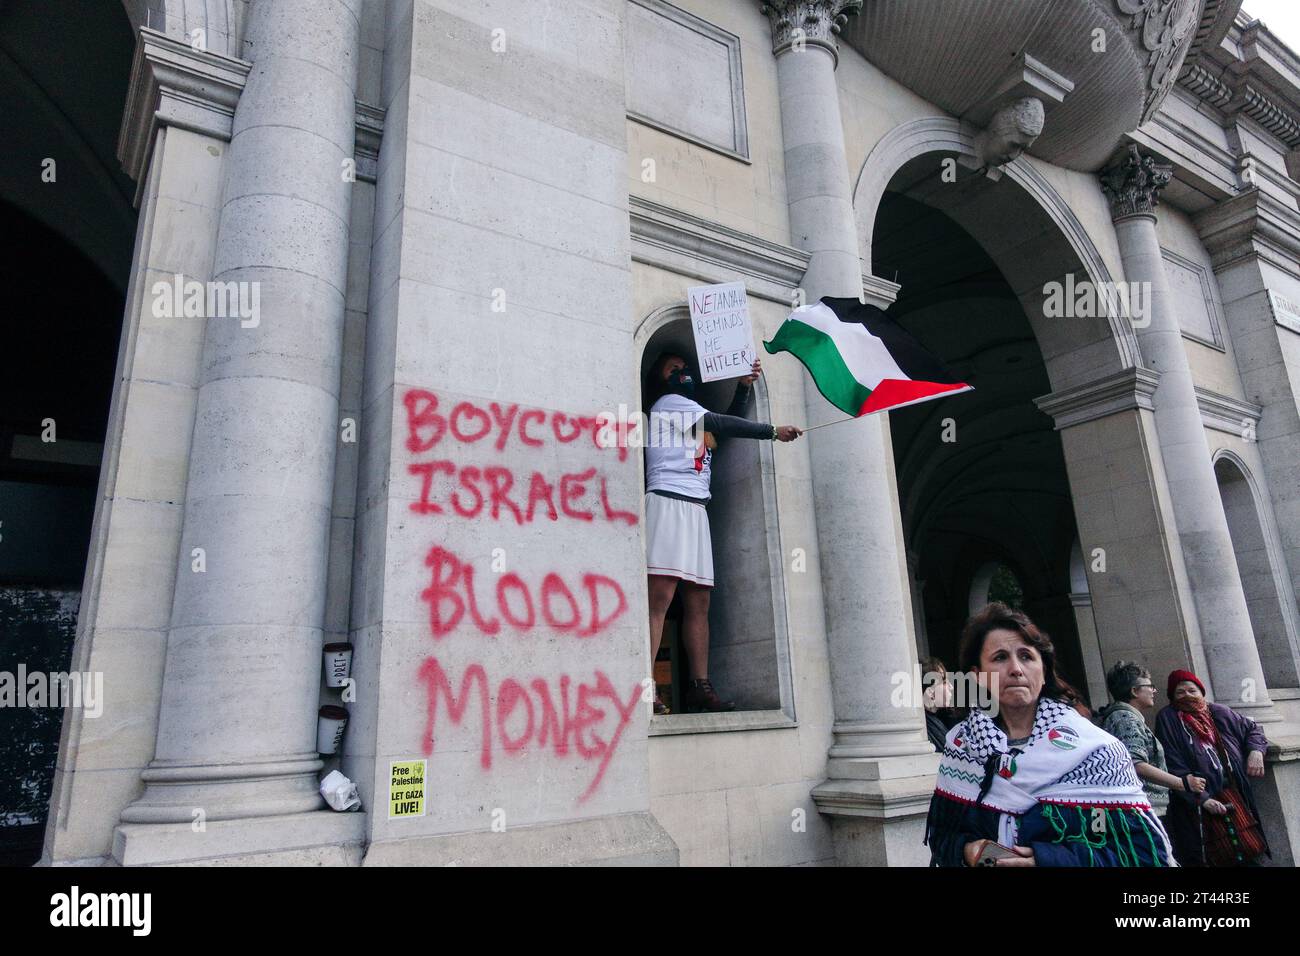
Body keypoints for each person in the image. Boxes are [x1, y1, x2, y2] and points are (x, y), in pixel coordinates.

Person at [925, 602, 1176, 867]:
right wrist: (968, 851)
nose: (1016, 669)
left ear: (1043, 671)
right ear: (978, 676)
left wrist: (1049, 860)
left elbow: (1144, 854)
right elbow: (943, 837)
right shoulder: (962, 750)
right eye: (1000, 657)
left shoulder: (1097, 752)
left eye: (1026, 656)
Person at [643, 352, 802, 714]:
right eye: (674, 368)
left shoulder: (693, 419)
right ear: (662, 379)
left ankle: (700, 686)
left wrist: (744, 390)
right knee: (660, 599)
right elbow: (719, 421)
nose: (683, 372)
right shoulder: (668, 403)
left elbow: (718, 432)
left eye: (684, 367)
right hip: (668, 501)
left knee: (699, 601)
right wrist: (772, 431)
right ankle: (646, 686)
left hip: (697, 509)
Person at [1155, 670, 1271, 866]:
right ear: (1172, 697)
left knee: (1246, 848)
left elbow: (1253, 729)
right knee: (1212, 856)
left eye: (1192, 690)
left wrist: (1256, 751)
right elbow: (1172, 762)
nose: (1188, 696)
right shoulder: (1168, 718)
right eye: (1180, 692)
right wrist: (1202, 799)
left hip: (1232, 793)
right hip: (1197, 800)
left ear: (1202, 692)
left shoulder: (1219, 712)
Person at [1096, 661, 1206, 823]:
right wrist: (1182, 783)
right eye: (1150, 686)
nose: (1154, 691)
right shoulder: (1125, 718)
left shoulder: (1124, 717)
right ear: (1134, 691)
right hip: (1142, 811)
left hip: (1143, 808)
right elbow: (1135, 764)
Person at [920, 656, 955, 752]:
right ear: (930, 693)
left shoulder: (937, 721)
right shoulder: (924, 729)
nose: (950, 687)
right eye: (944, 682)